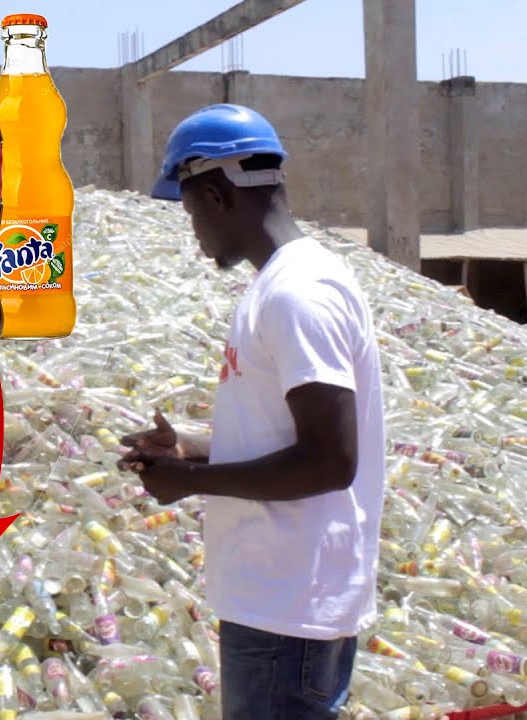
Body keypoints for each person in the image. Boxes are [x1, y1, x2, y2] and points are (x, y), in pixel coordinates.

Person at [118, 104, 386, 720]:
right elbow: (290, 435)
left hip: (288, 609)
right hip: (274, 601)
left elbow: (329, 460)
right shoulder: (279, 286)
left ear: (216, 195)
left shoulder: (298, 296)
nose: (195, 235)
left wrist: (189, 484)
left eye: (191, 214)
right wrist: (189, 446)